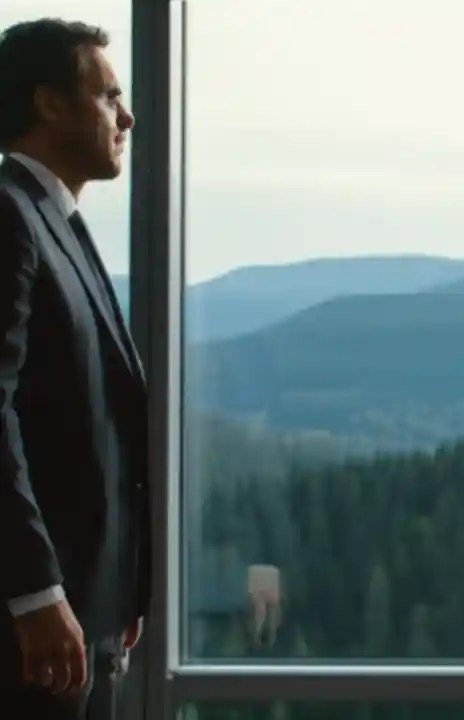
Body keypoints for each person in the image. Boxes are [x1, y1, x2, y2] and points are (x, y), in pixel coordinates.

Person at [0, 18, 150, 720]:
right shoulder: (10, 218)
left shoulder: (57, 222)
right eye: (108, 95)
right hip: (35, 631)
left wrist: (121, 590)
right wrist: (36, 593)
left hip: (86, 616)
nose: (127, 116)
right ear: (48, 103)